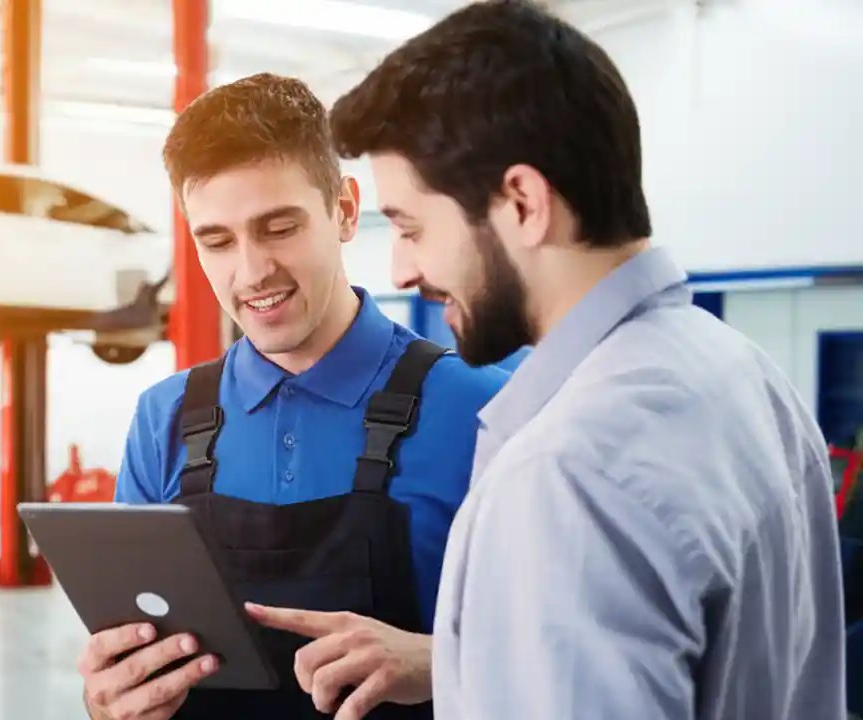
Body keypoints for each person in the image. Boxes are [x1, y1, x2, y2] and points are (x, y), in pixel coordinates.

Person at [326, 1, 848, 718]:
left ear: (523, 202)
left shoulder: (569, 473)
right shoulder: (747, 377)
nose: (402, 269)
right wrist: (465, 664)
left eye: (411, 228)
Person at [74, 73, 508, 720]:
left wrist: (439, 663)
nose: (252, 272)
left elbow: (567, 661)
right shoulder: (163, 419)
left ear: (345, 210)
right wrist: (110, 699)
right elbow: (128, 662)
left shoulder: (482, 410)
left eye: (278, 228)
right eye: (217, 241)